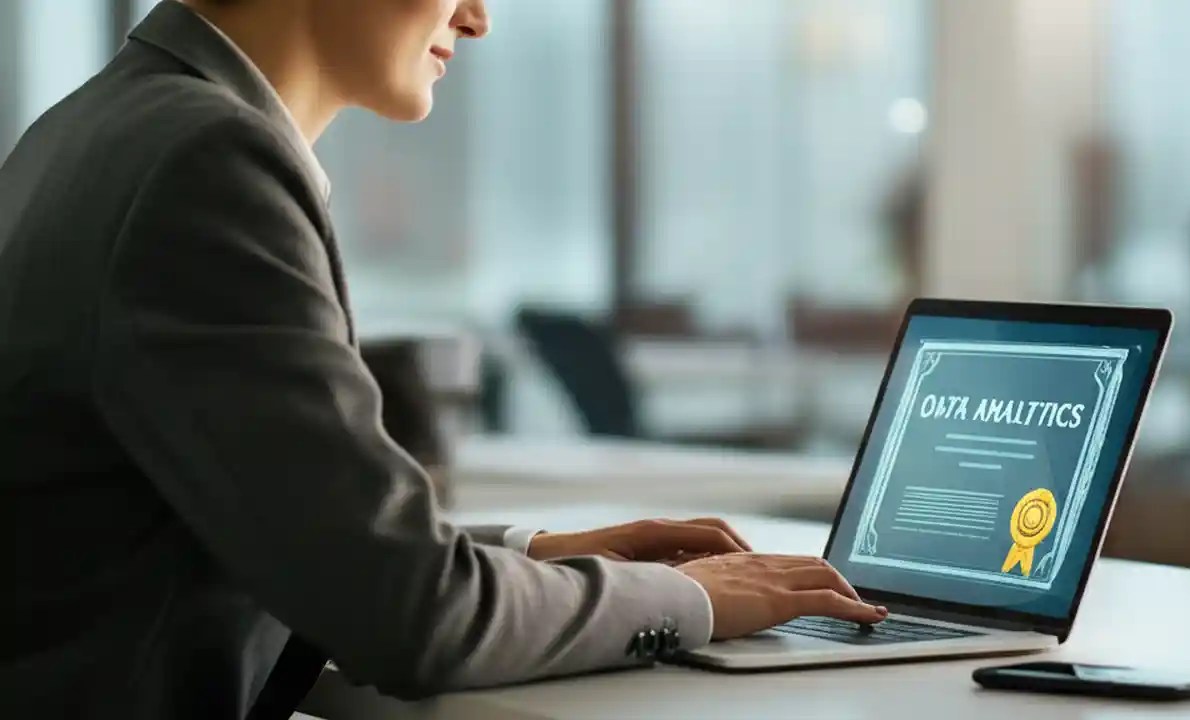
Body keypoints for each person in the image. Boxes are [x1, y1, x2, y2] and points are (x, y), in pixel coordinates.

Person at [0, 1, 887, 718]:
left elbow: (273, 529)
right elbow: (410, 616)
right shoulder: (209, 161)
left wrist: (536, 555)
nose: (478, 18)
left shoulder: (92, 124)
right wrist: (690, 601)